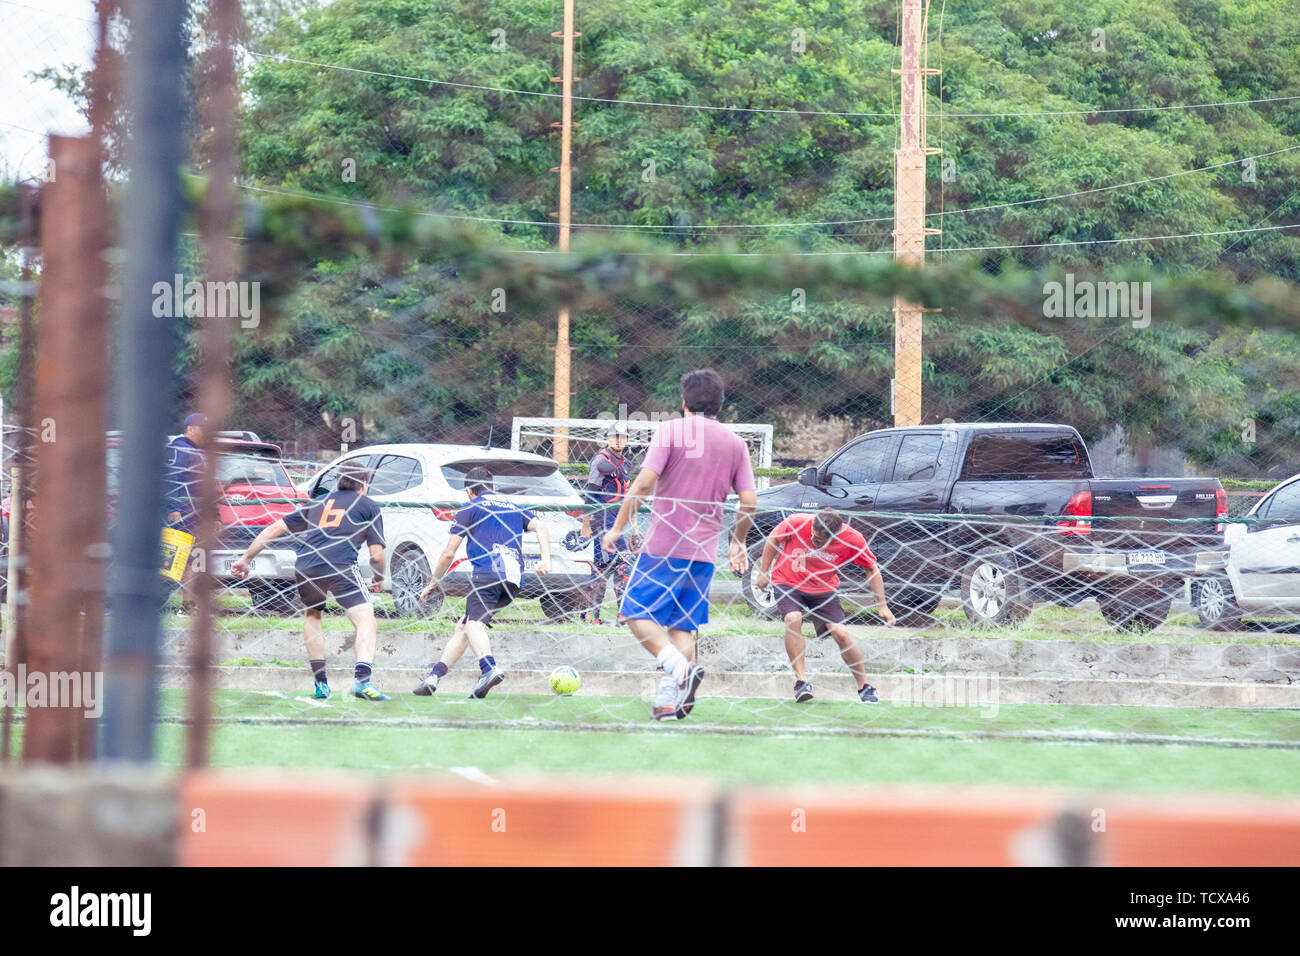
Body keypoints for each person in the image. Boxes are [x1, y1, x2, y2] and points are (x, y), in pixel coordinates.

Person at [602, 369, 757, 720]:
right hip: (703, 552)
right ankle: (670, 698)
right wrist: (738, 542)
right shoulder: (736, 444)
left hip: (664, 546)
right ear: (721, 404)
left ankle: (681, 672)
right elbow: (748, 501)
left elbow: (641, 486)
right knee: (682, 627)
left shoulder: (671, 431)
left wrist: (616, 529)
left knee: (632, 611)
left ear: (684, 402)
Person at [230, 462, 390, 701]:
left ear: (339, 481)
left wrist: (245, 559)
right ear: (364, 484)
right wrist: (378, 577)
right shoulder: (368, 505)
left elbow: (274, 529)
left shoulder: (317, 503)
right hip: (341, 566)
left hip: (306, 566)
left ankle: (321, 684)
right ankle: (362, 681)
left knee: (313, 616)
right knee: (366, 621)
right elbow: (377, 555)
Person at [414, 466, 551, 700]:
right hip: (514, 578)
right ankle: (434, 676)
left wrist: (433, 582)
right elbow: (541, 525)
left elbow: (449, 553)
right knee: (465, 624)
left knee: (473, 624)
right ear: (493, 487)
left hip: (488, 573)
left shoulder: (469, 508)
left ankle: (489, 669)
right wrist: (545, 559)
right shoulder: (513, 505)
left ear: (469, 491)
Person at [755, 507, 896, 703]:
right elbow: (773, 538)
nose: (814, 541)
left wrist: (882, 605)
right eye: (813, 536)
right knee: (793, 618)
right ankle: (801, 682)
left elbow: (871, 569)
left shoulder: (853, 539)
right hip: (787, 581)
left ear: (834, 537)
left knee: (841, 633)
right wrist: (763, 571)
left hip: (822, 588)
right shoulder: (798, 521)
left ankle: (864, 687)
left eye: (819, 541)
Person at [578, 420, 635, 625]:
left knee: (602, 568)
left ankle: (589, 617)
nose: (618, 441)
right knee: (624, 562)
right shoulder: (601, 461)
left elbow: (627, 497)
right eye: (614, 437)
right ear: (608, 439)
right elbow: (590, 494)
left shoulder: (625, 463)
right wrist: (586, 525)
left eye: (622, 437)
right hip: (601, 520)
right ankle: (622, 616)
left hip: (617, 520)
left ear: (628, 440)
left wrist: (634, 527)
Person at [164, 413, 209, 613]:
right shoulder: (181, 448)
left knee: (196, 560)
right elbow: (172, 479)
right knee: (175, 561)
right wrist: (173, 509)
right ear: (190, 429)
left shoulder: (199, 452)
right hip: (183, 515)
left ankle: (188, 605)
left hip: (198, 516)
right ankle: (170, 606)